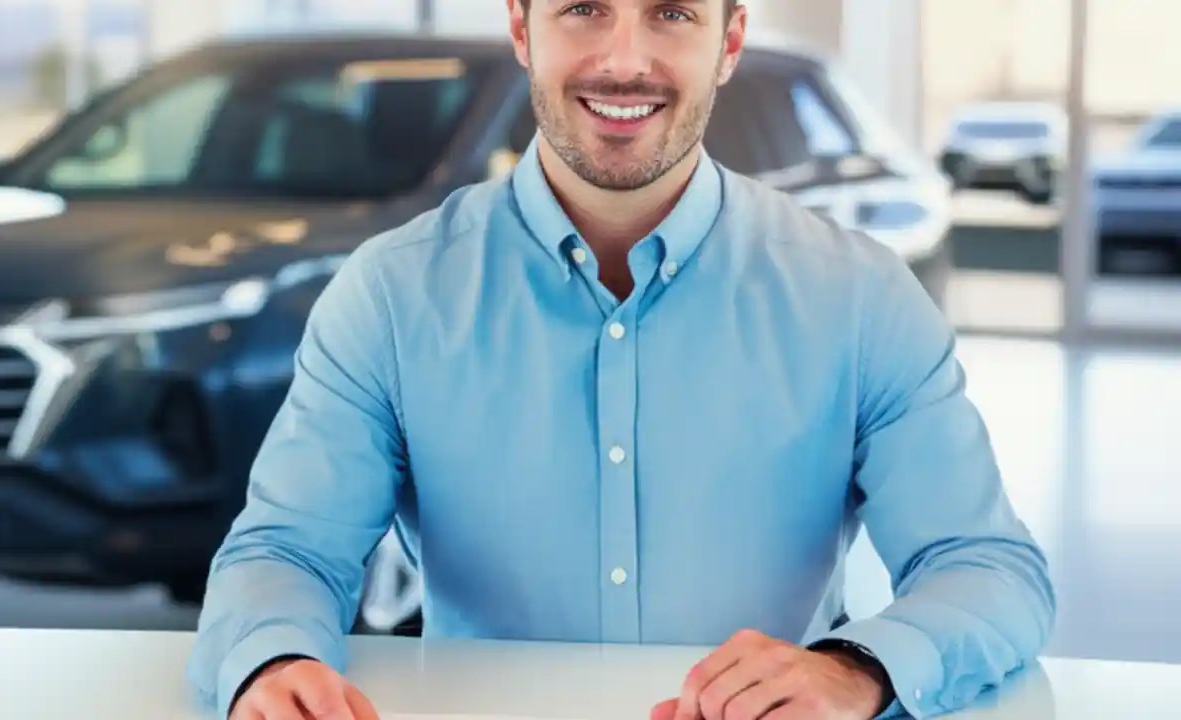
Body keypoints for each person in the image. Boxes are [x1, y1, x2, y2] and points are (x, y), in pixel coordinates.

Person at [187, 0, 1056, 718]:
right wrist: (273, 665)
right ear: (522, 28)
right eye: (584, 10)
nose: (623, 59)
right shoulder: (391, 293)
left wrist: (857, 667)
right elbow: (289, 549)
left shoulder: (860, 295)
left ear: (731, 40)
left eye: (671, 13)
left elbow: (986, 567)